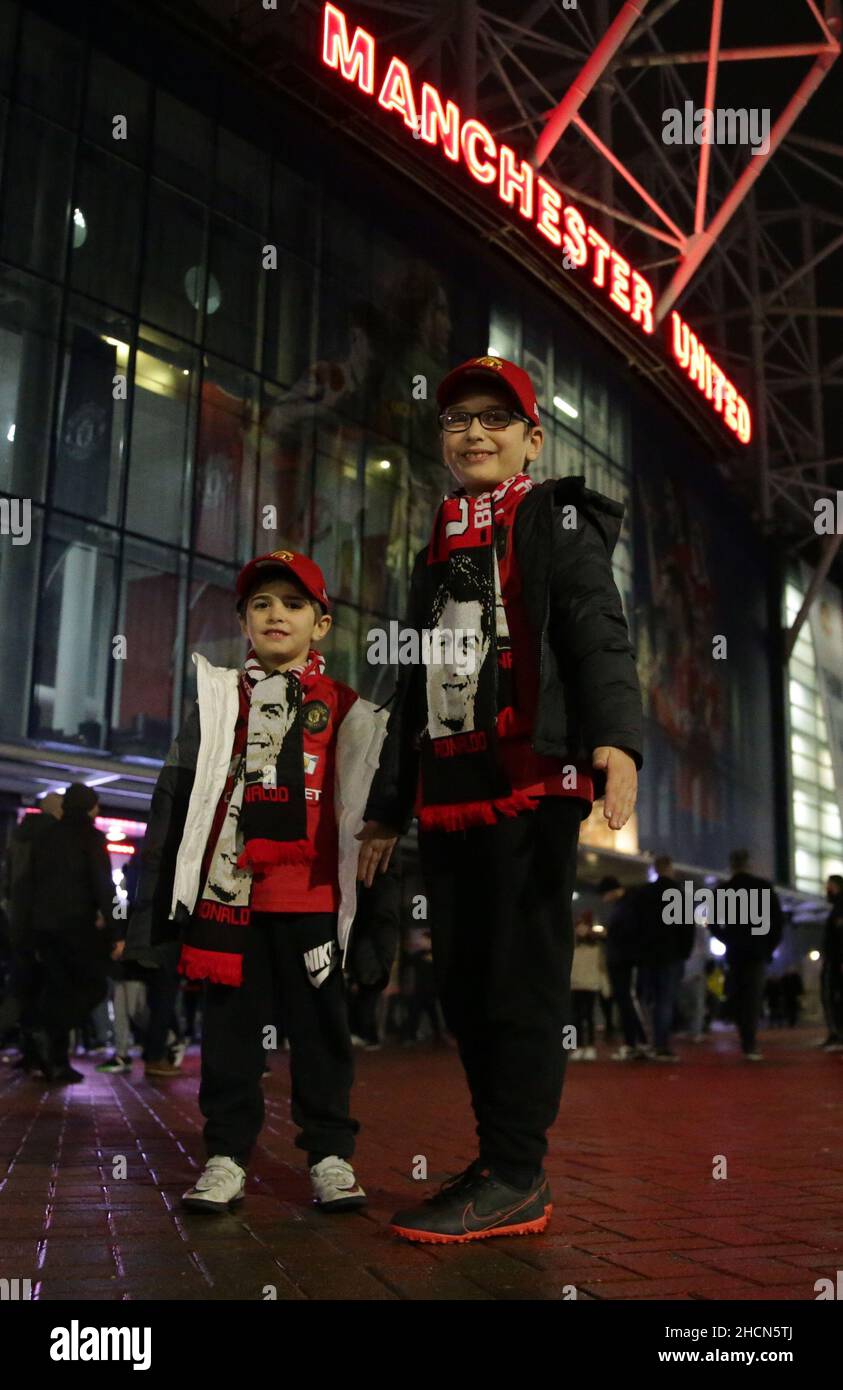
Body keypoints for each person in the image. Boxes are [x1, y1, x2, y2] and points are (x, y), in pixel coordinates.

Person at [357, 354, 642, 1242]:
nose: (472, 432)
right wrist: (386, 804)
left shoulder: (555, 516)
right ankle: (499, 1161)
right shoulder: (436, 542)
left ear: (529, 437)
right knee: (467, 982)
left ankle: (518, 1169)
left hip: (528, 781)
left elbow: (595, 628)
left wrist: (617, 741)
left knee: (517, 978)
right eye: (456, 420)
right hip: (449, 791)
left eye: (493, 417)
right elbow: (410, 682)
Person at [123, 549, 387, 1214]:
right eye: (262, 604)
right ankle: (226, 1155)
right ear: (242, 619)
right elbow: (175, 805)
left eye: (294, 605)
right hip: (227, 902)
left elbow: (370, 821)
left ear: (320, 626)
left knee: (321, 1033)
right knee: (231, 1035)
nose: (277, 615)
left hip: (313, 903)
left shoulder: (350, 710)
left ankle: (329, 1154)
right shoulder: (215, 703)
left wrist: (378, 916)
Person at [29, 784, 118, 1083]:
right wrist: (117, 930)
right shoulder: (91, 839)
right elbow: (104, 887)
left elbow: (29, 883)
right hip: (76, 925)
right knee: (93, 986)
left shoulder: (45, 837)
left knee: (57, 990)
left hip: (43, 926)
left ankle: (56, 1061)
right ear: (89, 807)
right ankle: (48, 1033)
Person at [0, 792, 63, 1070]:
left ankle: (31, 1053)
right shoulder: (53, 838)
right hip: (41, 925)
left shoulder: (19, 835)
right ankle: (40, 1056)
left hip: (18, 924)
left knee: (20, 987)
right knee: (39, 991)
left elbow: (7, 882)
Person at [709, 849, 783, 1061]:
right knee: (752, 996)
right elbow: (777, 924)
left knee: (738, 994)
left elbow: (713, 924)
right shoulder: (763, 888)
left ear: (732, 865)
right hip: (757, 951)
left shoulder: (723, 890)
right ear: (749, 864)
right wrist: (768, 947)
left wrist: (727, 939)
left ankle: (744, 1036)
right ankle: (749, 1043)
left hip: (735, 951)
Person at [634, 855, 694, 1062]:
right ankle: (661, 1045)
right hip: (671, 954)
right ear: (670, 868)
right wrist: (684, 952)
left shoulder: (643, 893)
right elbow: (687, 928)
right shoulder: (678, 893)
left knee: (646, 999)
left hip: (647, 954)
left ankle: (643, 1042)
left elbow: (635, 925)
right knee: (665, 1000)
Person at [599, 875, 649, 1061]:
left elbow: (627, 933)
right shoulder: (626, 905)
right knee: (625, 1002)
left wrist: (610, 936)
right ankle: (634, 1042)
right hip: (621, 959)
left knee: (629, 1001)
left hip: (626, 960)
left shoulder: (629, 905)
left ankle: (640, 1041)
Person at [569, 913, 607, 1061]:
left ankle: (590, 1046)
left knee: (589, 1017)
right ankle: (576, 1046)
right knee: (575, 1018)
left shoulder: (596, 947)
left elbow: (601, 967)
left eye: (584, 927)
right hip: (575, 985)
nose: (581, 930)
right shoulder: (572, 946)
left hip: (591, 985)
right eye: (579, 927)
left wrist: (605, 987)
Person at [818, 875, 843, 1050]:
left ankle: (837, 1035)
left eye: (828, 886)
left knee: (831, 997)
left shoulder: (840, 906)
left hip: (835, 960)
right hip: (836, 959)